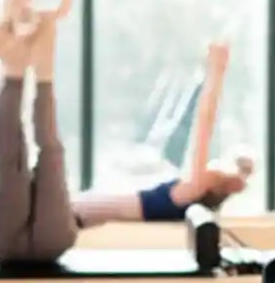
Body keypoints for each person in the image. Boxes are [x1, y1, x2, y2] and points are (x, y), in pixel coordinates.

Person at [72, 42, 253, 228]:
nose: (213, 164)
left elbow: (203, 129)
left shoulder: (192, 190)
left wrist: (216, 72)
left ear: (214, 185)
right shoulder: (189, 193)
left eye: (218, 170)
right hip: (88, 209)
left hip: (85, 210)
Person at [0, 0, 81, 262]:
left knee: (50, 149)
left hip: (40, 93)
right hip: (12, 101)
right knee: (13, 157)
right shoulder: (0, 29)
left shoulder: (44, 19)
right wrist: (13, 27)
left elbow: (64, 6)